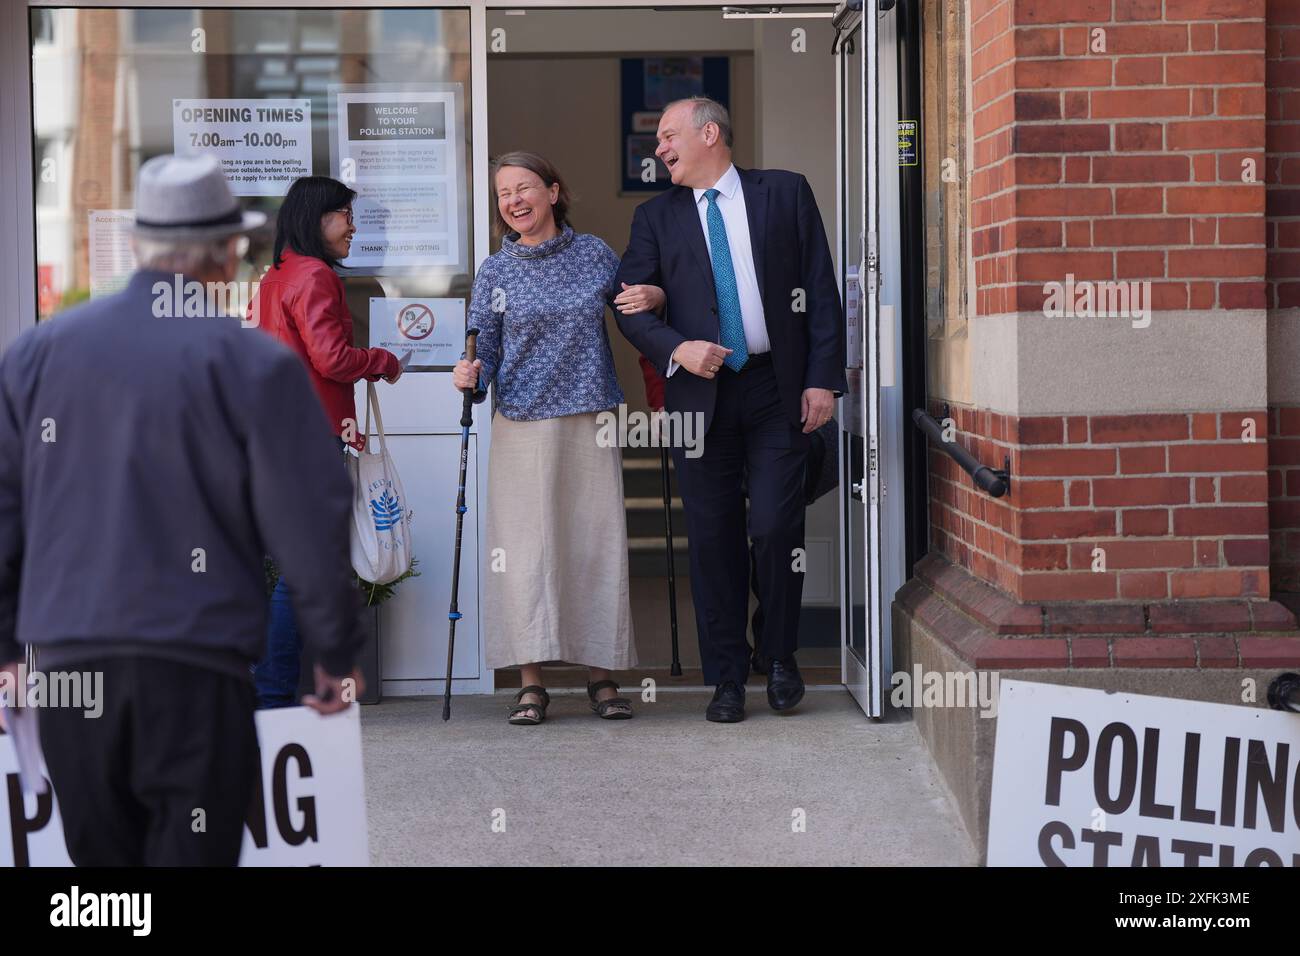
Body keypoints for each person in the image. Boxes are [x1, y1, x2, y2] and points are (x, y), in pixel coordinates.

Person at [0, 154, 365, 866]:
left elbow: (6, 510)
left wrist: (7, 649)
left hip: (74, 665)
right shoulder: (255, 365)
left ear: (138, 246)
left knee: (107, 889)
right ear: (228, 254)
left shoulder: (37, 354)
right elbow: (308, 517)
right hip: (198, 664)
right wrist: (334, 650)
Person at [615, 96, 846, 723]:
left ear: (710, 133)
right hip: (699, 396)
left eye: (669, 136)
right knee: (713, 540)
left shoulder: (785, 193)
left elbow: (820, 289)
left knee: (775, 528)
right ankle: (725, 676)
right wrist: (676, 347)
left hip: (777, 387)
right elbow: (628, 306)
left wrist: (822, 381)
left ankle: (779, 655)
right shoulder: (654, 217)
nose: (659, 148)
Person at [452, 151, 663, 724]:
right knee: (525, 553)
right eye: (503, 194)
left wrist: (657, 297)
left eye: (523, 188)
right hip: (520, 423)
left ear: (552, 191)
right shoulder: (495, 271)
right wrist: (468, 376)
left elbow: (635, 314)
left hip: (590, 419)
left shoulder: (594, 254)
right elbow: (483, 350)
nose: (513, 201)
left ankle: (602, 676)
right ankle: (531, 683)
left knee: (593, 545)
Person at [248, 176, 403, 709]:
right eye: (345, 216)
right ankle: (272, 696)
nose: (353, 227)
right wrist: (383, 361)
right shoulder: (315, 275)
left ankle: (271, 693)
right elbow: (332, 358)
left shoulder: (278, 275)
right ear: (317, 219)